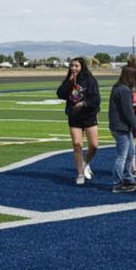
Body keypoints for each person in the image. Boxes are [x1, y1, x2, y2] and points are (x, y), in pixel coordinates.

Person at [55, 57, 101, 185]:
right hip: (74, 116)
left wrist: (83, 104)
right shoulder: (69, 80)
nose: (73, 68)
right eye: (72, 66)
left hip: (89, 116)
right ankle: (80, 173)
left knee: (94, 145)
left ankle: (85, 162)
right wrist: (69, 82)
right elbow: (60, 94)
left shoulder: (90, 80)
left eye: (76, 66)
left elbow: (96, 99)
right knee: (77, 144)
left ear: (82, 67)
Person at [107, 65, 136, 192]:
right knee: (122, 156)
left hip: (121, 126)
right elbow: (128, 111)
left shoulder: (119, 87)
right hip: (121, 127)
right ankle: (117, 183)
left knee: (130, 153)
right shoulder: (124, 90)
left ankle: (128, 178)